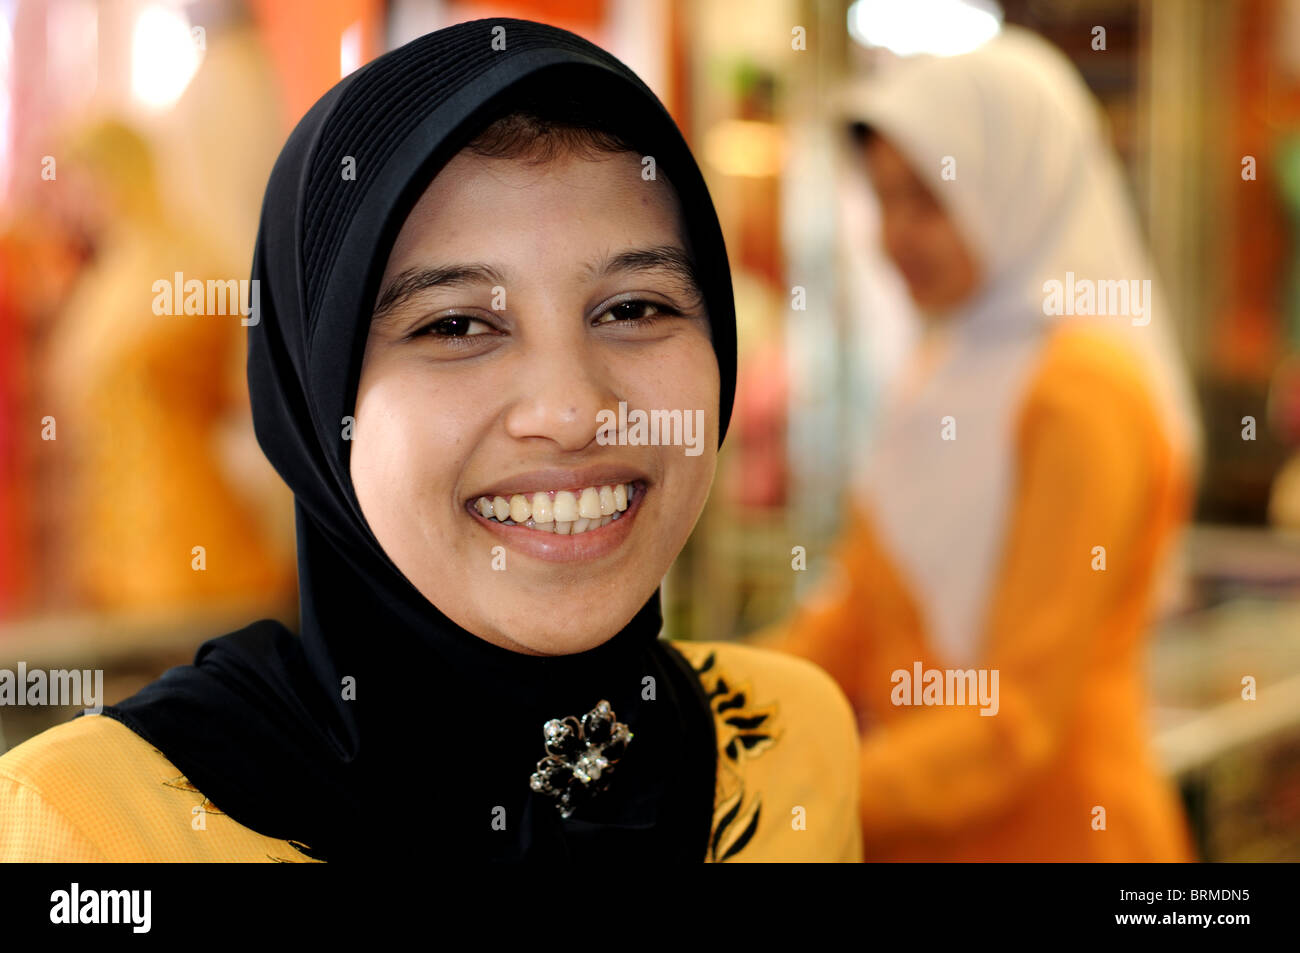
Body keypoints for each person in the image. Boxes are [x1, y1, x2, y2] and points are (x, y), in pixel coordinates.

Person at [0, 18, 860, 863]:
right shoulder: (92, 828)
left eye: (634, 308)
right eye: (456, 325)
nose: (571, 410)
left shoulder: (783, 746)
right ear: (316, 396)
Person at [752, 27, 1202, 861]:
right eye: (882, 199)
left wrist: (799, 795)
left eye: (927, 201)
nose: (895, 237)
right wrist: (710, 703)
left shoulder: (1082, 392)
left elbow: (1016, 722)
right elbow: (858, 618)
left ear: (1017, 186)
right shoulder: (945, 367)